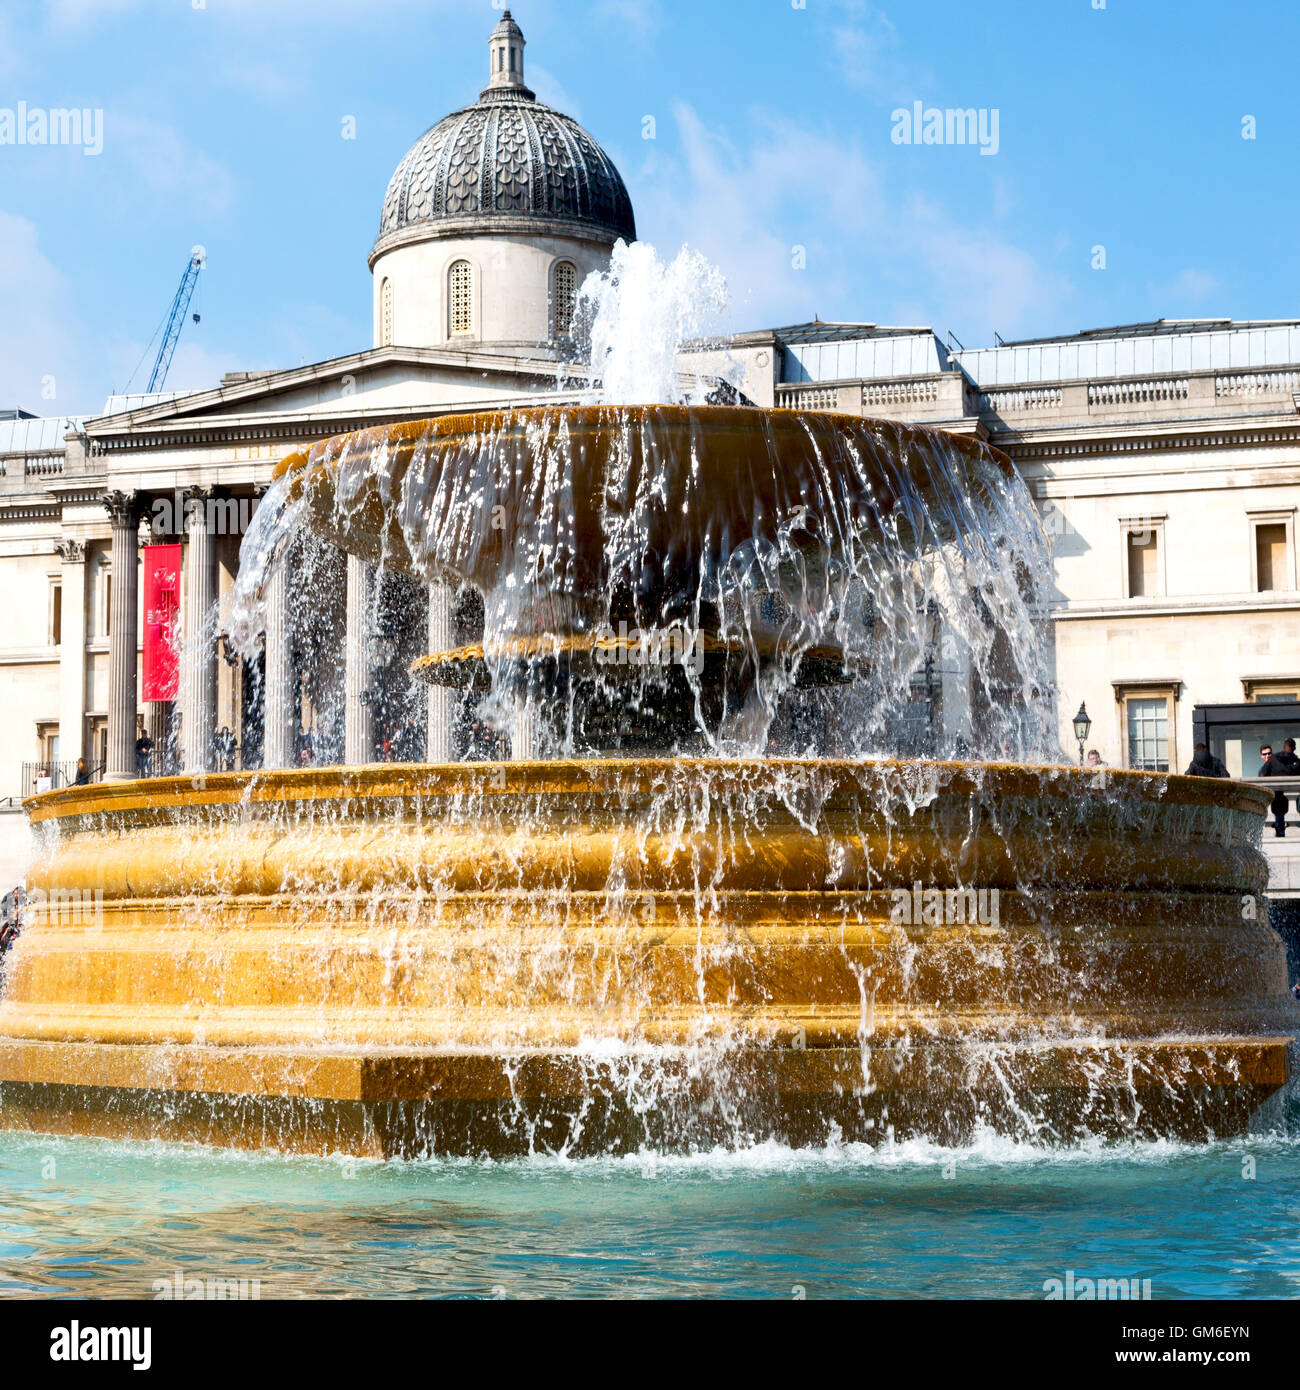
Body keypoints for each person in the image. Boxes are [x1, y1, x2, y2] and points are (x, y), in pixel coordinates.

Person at [1260, 737, 1300, 836]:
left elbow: (1262, 774)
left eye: (1269, 753)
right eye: (1265, 754)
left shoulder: (1274, 760)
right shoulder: (1294, 761)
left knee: (1280, 825)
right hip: (1280, 802)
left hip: (1282, 801)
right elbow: (1262, 775)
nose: (1267, 756)